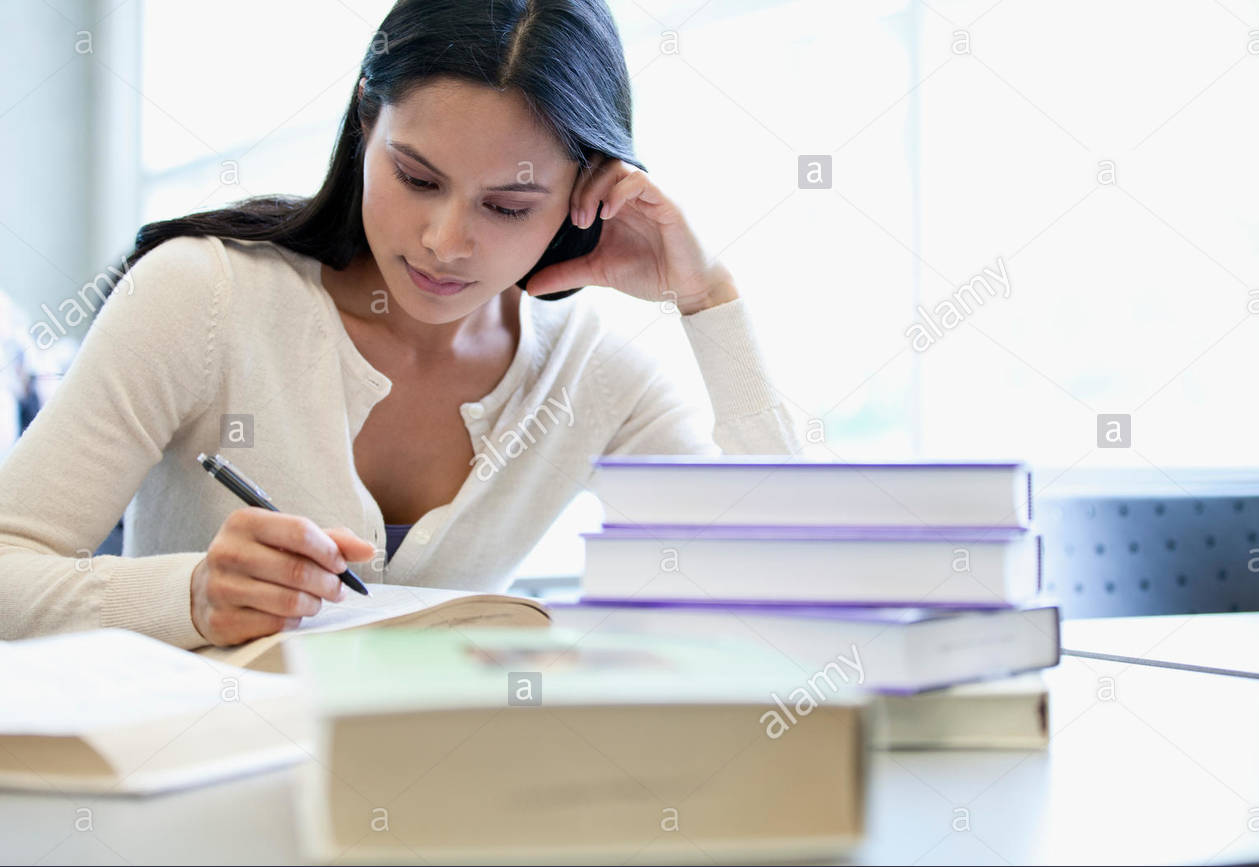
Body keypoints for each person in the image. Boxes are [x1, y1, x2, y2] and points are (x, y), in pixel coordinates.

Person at [0, 0, 800, 650]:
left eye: (507, 206)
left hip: (452, 813)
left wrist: (708, 299)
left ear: (584, 195)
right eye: (416, 178)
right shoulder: (201, 295)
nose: (445, 243)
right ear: (365, 125)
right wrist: (189, 597)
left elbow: (791, 585)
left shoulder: (597, 374)